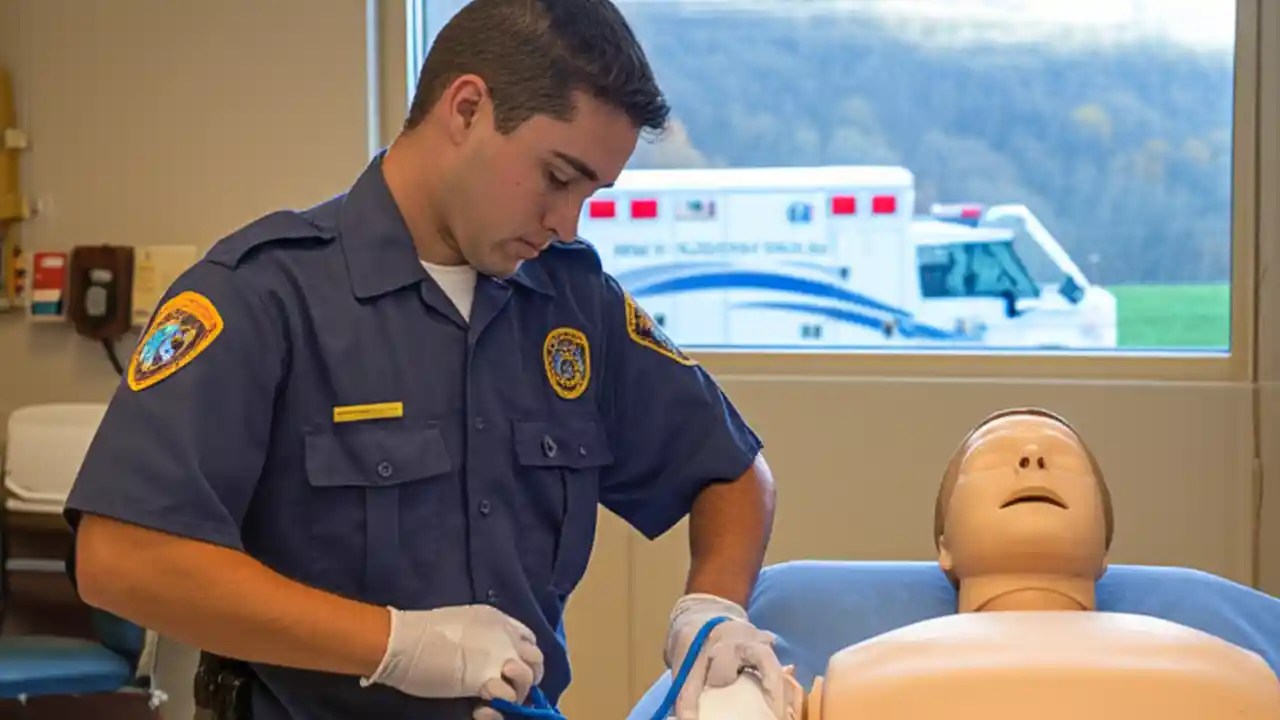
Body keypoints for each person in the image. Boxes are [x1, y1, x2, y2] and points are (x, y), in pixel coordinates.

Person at [62, 1, 788, 718]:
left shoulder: (571, 302)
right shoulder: (263, 296)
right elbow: (121, 558)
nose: (567, 221)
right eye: (557, 178)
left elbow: (732, 471)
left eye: (591, 193)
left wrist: (712, 611)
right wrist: (394, 643)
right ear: (467, 109)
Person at [793, 407, 1280, 719]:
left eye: (1061, 459)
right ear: (945, 546)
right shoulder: (844, 685)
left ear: (1105, 546)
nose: (1031, 459)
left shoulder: (1245, 676)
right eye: (992, 458)